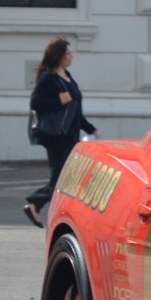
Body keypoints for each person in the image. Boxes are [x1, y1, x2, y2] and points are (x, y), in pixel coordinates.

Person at [24, 37, 96, 228]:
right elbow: (35, 104)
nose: (71, 56)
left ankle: (43, 205)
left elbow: (75, 109)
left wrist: (89, 128)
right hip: (56, 137)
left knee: (68, 177)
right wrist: (58, 100)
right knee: (61, 179)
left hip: (70, 135)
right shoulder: (48, 79)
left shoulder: (67, 76)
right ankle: (35, 203)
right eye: (68, 54)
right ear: (59, 56)